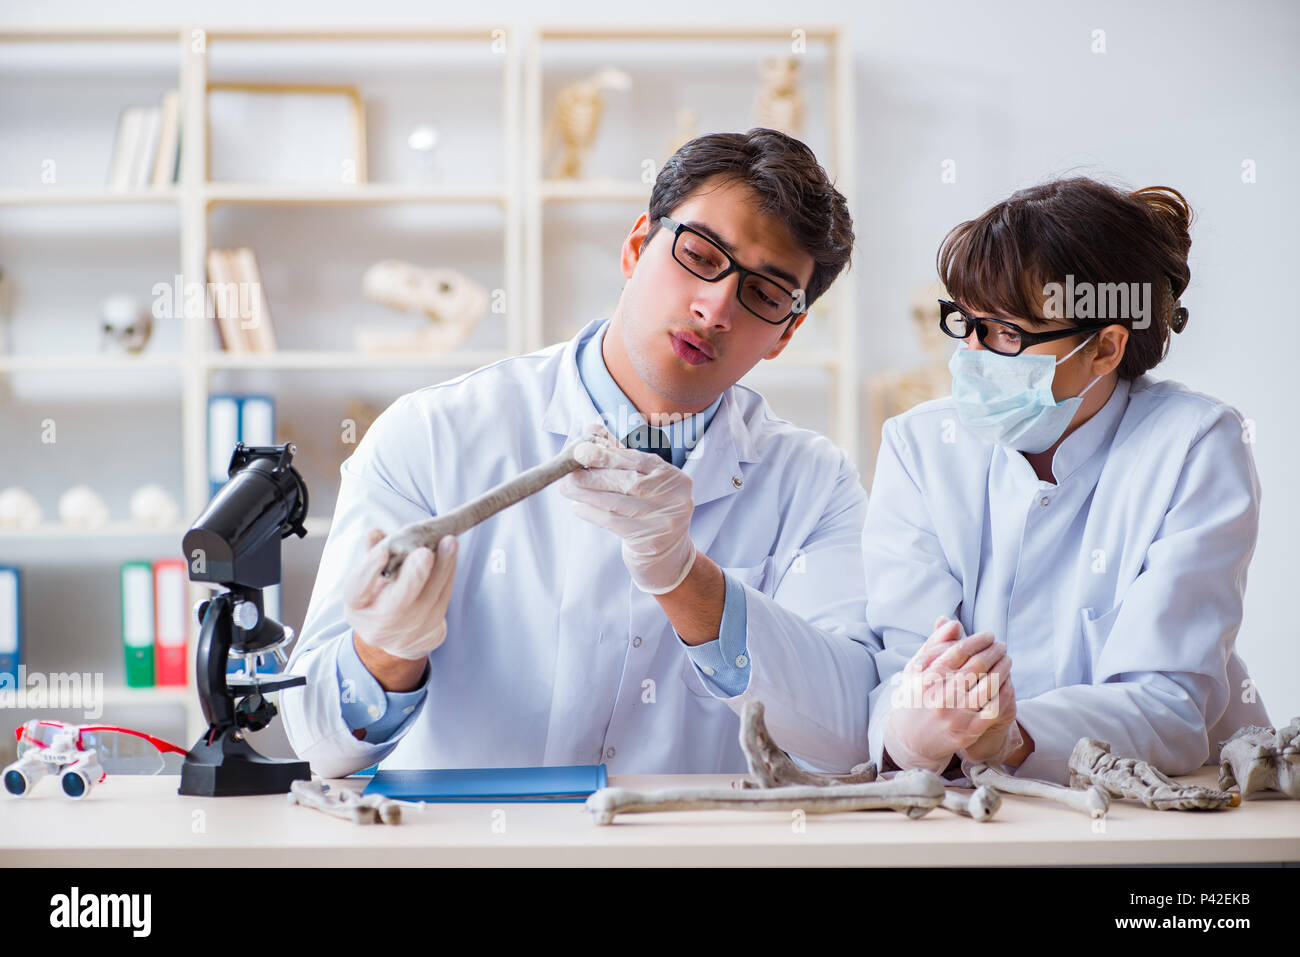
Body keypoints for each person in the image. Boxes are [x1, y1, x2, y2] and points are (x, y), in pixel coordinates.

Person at [281, 128, 877, 778]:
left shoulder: (813, 483)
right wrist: (388, 652)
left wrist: (684, 576)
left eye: (763, 294)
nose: (716, 308)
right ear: (635, 246)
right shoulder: (433, 435)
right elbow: (317, 738)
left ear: (785, 335)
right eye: (702, 255)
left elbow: (847, 731)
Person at [863, 177, 1270, 784]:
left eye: (1005, 333)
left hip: (1160, 814)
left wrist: (1015, 737)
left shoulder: (1194, 443)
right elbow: (900, 667)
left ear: (1104, 348)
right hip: (954, 810)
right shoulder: (921, 447)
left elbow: (1167, 704)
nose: (970, 356)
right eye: (965, 322)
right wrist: (909, 734)